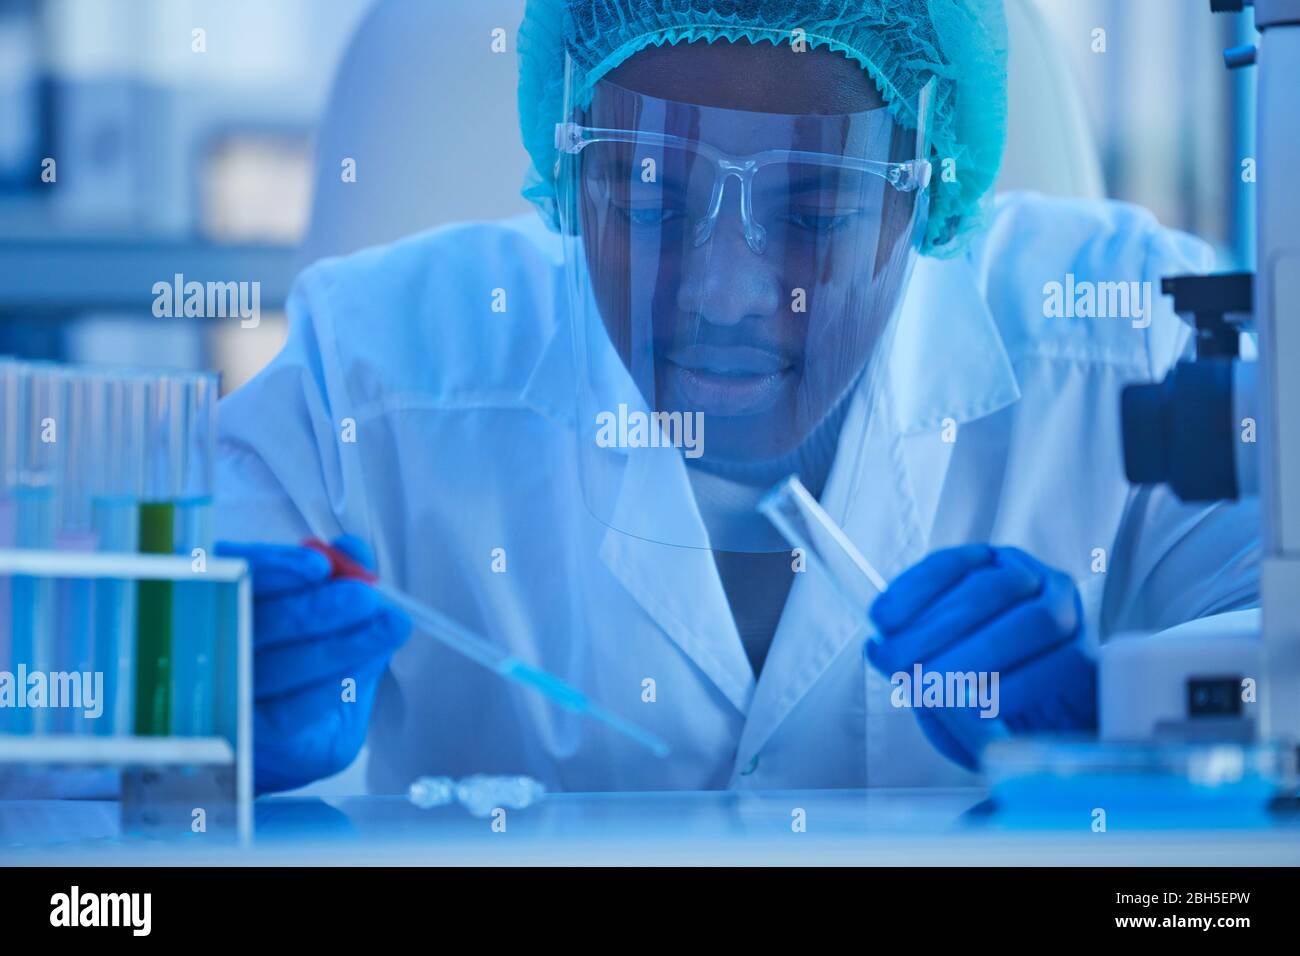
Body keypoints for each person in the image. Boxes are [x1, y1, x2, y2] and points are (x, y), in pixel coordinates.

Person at [216, 0, 1259, 794]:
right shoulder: (378, 372)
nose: (722, 291)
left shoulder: (1127, 337)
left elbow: (1278, 671)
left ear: (925, 186)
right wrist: (204, 717)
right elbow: (95, 693)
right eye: (646, 190)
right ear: (566, 164)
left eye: (815, 203)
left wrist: (1124, 713)